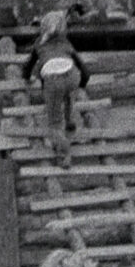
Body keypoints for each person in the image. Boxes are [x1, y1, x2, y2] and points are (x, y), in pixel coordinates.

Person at [24, 9, 90, 161]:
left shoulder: (39, 44)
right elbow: (85, 70)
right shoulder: (66, 43)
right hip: (71, 75)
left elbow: (27, 67)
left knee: (54, 122)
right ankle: (69, 120)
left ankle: (64, 154)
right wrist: (81, 85)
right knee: (69, 92)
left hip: (54, 80)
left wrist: (27, 78)